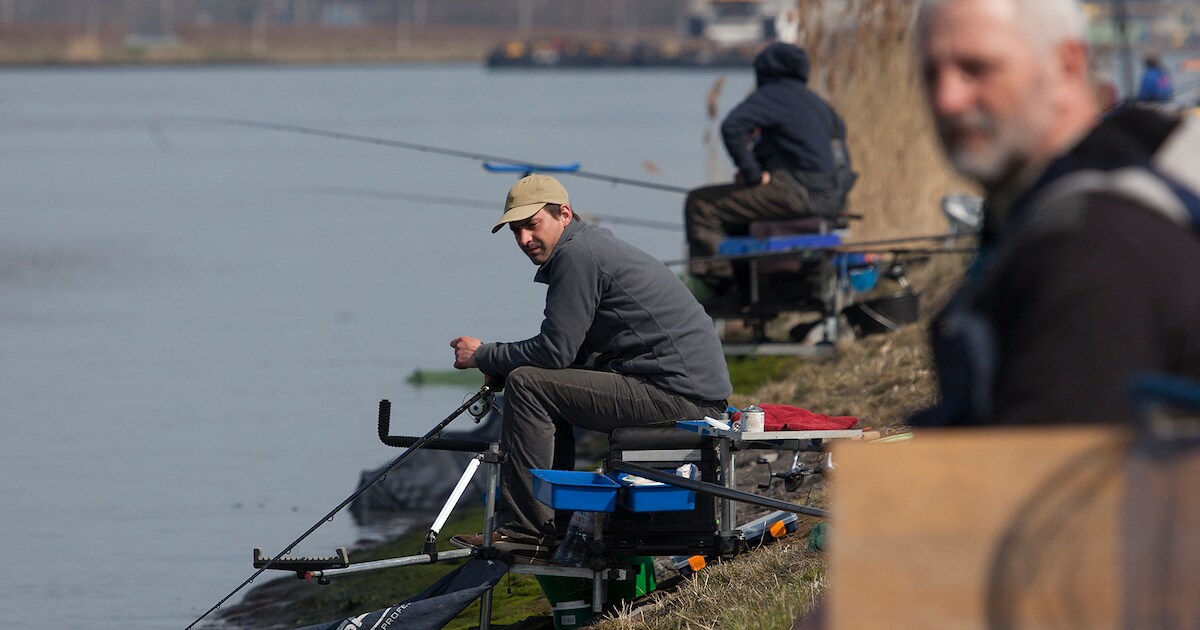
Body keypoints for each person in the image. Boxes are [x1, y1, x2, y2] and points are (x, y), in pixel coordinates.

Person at [909, 0, 1200, 426]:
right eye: (931, 74)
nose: (947, 100)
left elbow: (1053, 463)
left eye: (977, 68)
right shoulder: (1058, 210)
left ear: (1067, 65)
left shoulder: (1087, 246)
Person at [449, 174, 732, 560]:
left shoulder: (577, 255)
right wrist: (501, 366)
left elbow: (554, 352)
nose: (524, 239)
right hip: (681, 390)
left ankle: (526, 532)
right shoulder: (588, 247)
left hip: (683, 399)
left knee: (528, 385)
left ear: (564, 214)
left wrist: (484, 355)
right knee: (535, 382)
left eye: (532, 225)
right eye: (516, 231)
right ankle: (552, 522)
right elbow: (571, 354)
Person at [684, 41, 856, 303]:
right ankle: (756, 283)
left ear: (765, 71)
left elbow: (732, 127)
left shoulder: (774, 94)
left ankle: (721, 284)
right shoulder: (819, 105)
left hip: (800, 195)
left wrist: (752, 173)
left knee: (700, 204)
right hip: (834, 199)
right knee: (735, 211)